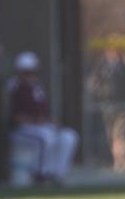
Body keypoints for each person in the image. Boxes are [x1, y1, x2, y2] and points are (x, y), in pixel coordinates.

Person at [9, 51, 78, 184]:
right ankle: (41, 174)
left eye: (32, 71)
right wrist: (34, 121)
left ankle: (58, 174)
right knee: (45, 137)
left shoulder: (37, 86)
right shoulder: (14, 86)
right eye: (27, 72)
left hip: (41, 127)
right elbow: (14, 116)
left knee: (69, 136)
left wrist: (49, 122)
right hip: (22, 129)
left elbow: (44, 113)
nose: (30, 75)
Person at [89, 47, 125, 170]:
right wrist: (101, 93)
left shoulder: (124, 64)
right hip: (107, 106)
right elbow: (93, 83)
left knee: (120, 135)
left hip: (123, 106)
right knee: (111, 136)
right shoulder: (101, 65)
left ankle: (120, 162)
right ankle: (118, 160)